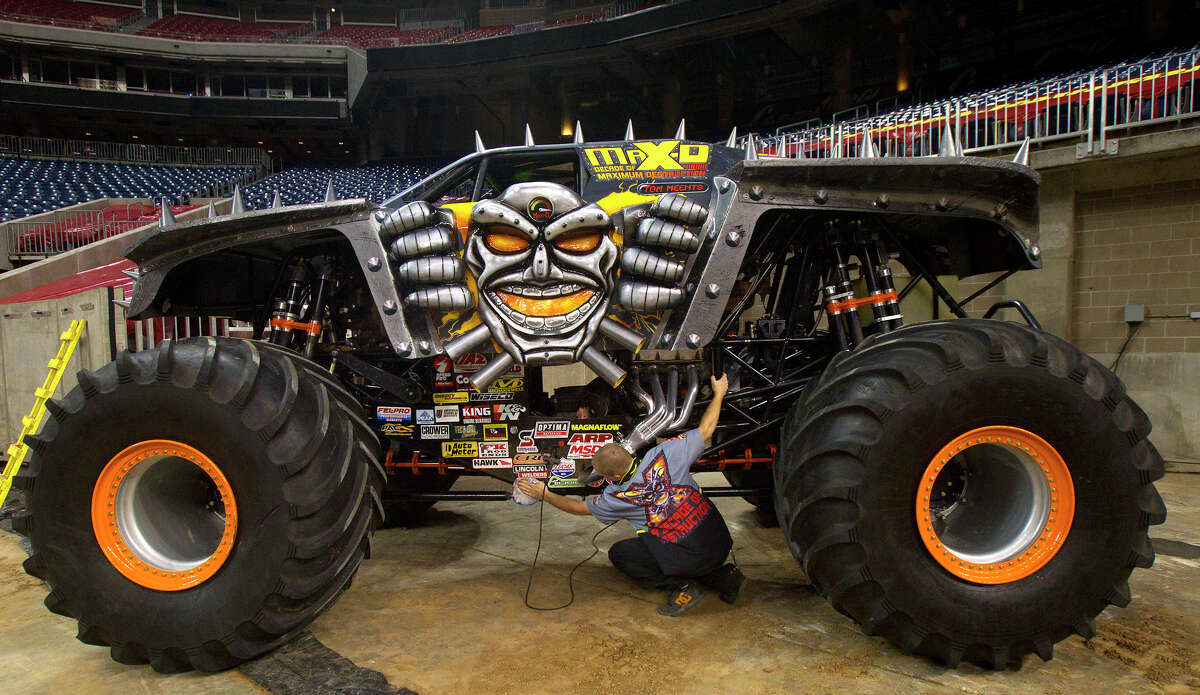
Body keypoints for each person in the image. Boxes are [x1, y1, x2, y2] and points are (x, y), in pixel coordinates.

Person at [517, 373, 744, 616]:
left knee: (621, 554)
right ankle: (724, 577)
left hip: (694, 553)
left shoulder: (617, 498)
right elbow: (706, 429)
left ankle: (681, 585)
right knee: (682, 542)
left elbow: (577, 508)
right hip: (720, 541)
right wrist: (719, 392)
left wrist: (545, 494)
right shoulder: (666, 452)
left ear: (612, 478)